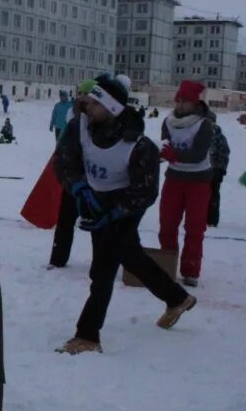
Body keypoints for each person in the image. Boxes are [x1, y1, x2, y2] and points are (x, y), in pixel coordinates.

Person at [53, 74, 195, 354]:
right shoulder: (80, 126)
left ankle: (87, 336)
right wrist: (78, 187)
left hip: (125, 203)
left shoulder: (140, 146)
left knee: (102, 268)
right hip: (93, 195)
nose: (87, 106)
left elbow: (145, 192)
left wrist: (115, 212)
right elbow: (64, 161)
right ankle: (177, 298)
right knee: (129, 255)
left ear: (113, 108)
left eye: (95, 103)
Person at [157, 80, 215, 287]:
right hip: (174, 178)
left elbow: (197, 155)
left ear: (195, 103)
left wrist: (174, 155)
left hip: (198, 181)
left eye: (185, 101)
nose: (180, 105)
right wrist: (159, 153)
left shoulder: (204, 124)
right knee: (167, 224)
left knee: (194, 228)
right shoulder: (169, 121)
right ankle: (167, 264)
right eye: (178, 101)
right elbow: (165, 145)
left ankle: (190, 270)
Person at [49, 79, 97, 269]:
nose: (82, 98)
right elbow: (64, 149)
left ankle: (101, 263)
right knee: (65, 220)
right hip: (74, 180)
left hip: (97, 181)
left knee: (98, 225)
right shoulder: (74, 118)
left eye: (87, 94)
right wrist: (71, 178)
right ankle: (58, 259)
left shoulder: (104, 120)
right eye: (80, 94)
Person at [207, 106, 230, 227]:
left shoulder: (219, 137)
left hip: (215, 170)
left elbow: (225, 153)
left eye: (210, 121)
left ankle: (212, 219)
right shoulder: (200, 134)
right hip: (201, 170)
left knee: (213, 194)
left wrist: (221, 169)